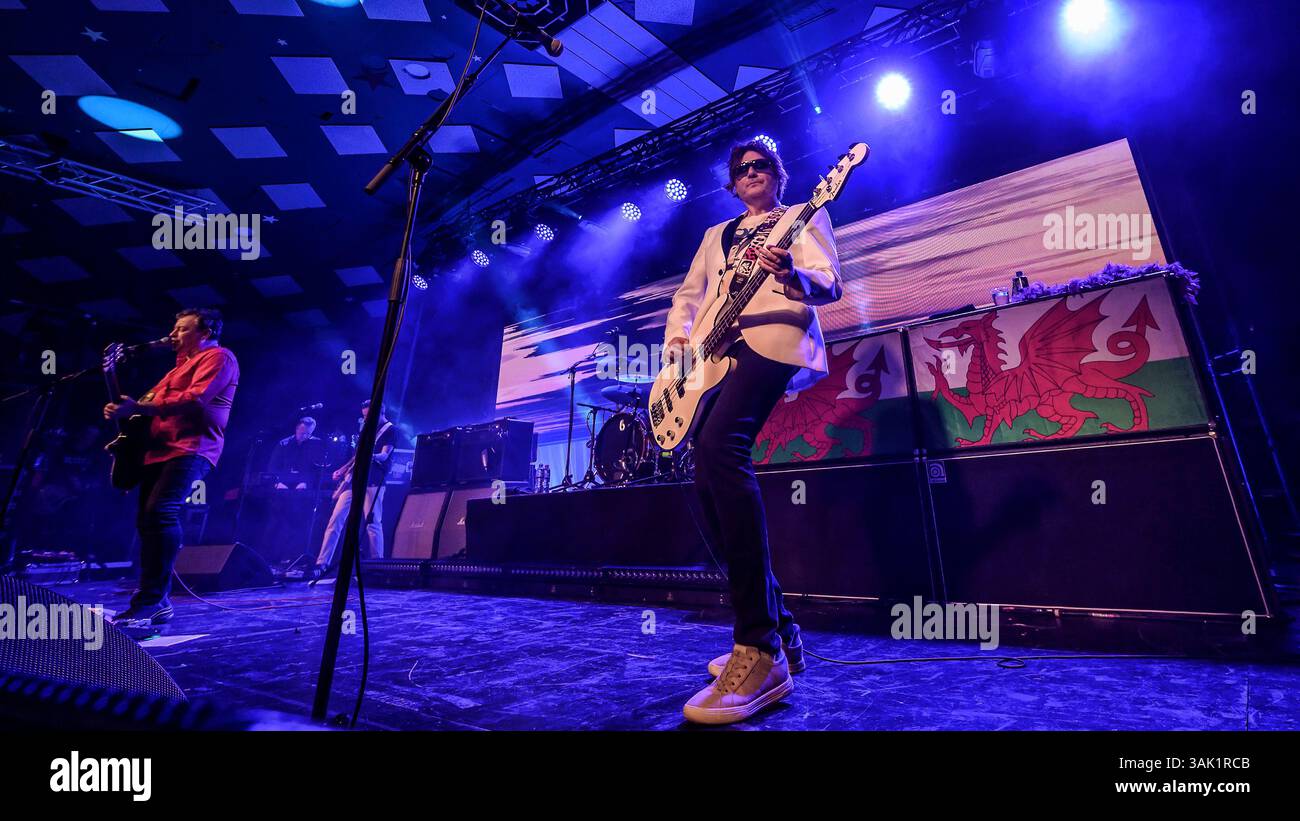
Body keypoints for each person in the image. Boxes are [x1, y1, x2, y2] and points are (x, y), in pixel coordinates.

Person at [663, 140, 842, 724]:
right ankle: (780, 629)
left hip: (775, 338)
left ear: (777, 175)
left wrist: (791, 273)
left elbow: (829, 282)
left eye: (760, 165)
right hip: (713, 353)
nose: (750, 174)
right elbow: (690, 297)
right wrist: (677, 345)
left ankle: (758, 646)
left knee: (720, 448)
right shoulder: (715, 235)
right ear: (732, 185)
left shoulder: (801, 217)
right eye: (741, 171)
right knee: (706, 476)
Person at [104, 308, 239, 626]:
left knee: (159, 514)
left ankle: (151, 600)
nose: (173, 335)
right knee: (147, 521)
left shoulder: (219, 357)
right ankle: (157, 601)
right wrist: (124, 410)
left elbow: (195, 399)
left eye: (181, 329)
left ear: (203, 333)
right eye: (174, 329)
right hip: (158, 451)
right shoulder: (174, 371)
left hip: (191, 449)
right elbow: (147, 409)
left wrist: (138, 406)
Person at [312, 400, 396, 578]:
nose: (366, 419)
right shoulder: (366, 430)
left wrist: (369, 455)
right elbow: (356, 457)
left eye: (369, 416)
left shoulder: (390, 430)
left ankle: (376, 564)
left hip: (373, 481)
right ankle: (322, 563)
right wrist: (342, 469)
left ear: (380, 413)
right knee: (335, 520)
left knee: (373, 523)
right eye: (364, 416)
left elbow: (384, 455)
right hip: (354, 480)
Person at [268, 416, 327, 490]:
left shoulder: (317, 445)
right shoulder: (284, 444)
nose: (304, 436)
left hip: (305, 484)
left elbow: (318, 469)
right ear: (296, 429)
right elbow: (272, 466)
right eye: (302, 433)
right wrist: (277, 483)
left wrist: (307, 483)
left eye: (308, 433)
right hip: (283, 482)